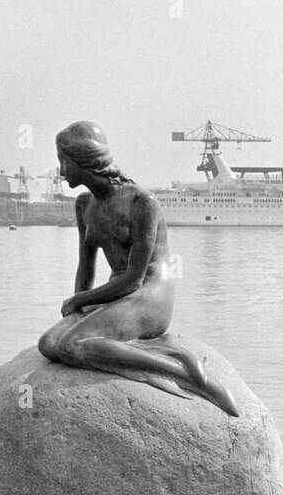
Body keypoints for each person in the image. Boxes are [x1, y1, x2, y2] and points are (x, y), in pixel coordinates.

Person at [37, 121, 239, 416]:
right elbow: (86, 268)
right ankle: (156, 350)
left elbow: (134, 279)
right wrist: (76, 311)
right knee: (49, 344)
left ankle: (192, 376)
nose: (61, 171)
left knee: (72, 345)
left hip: (150, 294)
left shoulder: (141, 202)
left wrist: (80, 301)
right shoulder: (84, 205)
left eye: (63, 161)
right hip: (116, 294)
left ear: (84, 159)